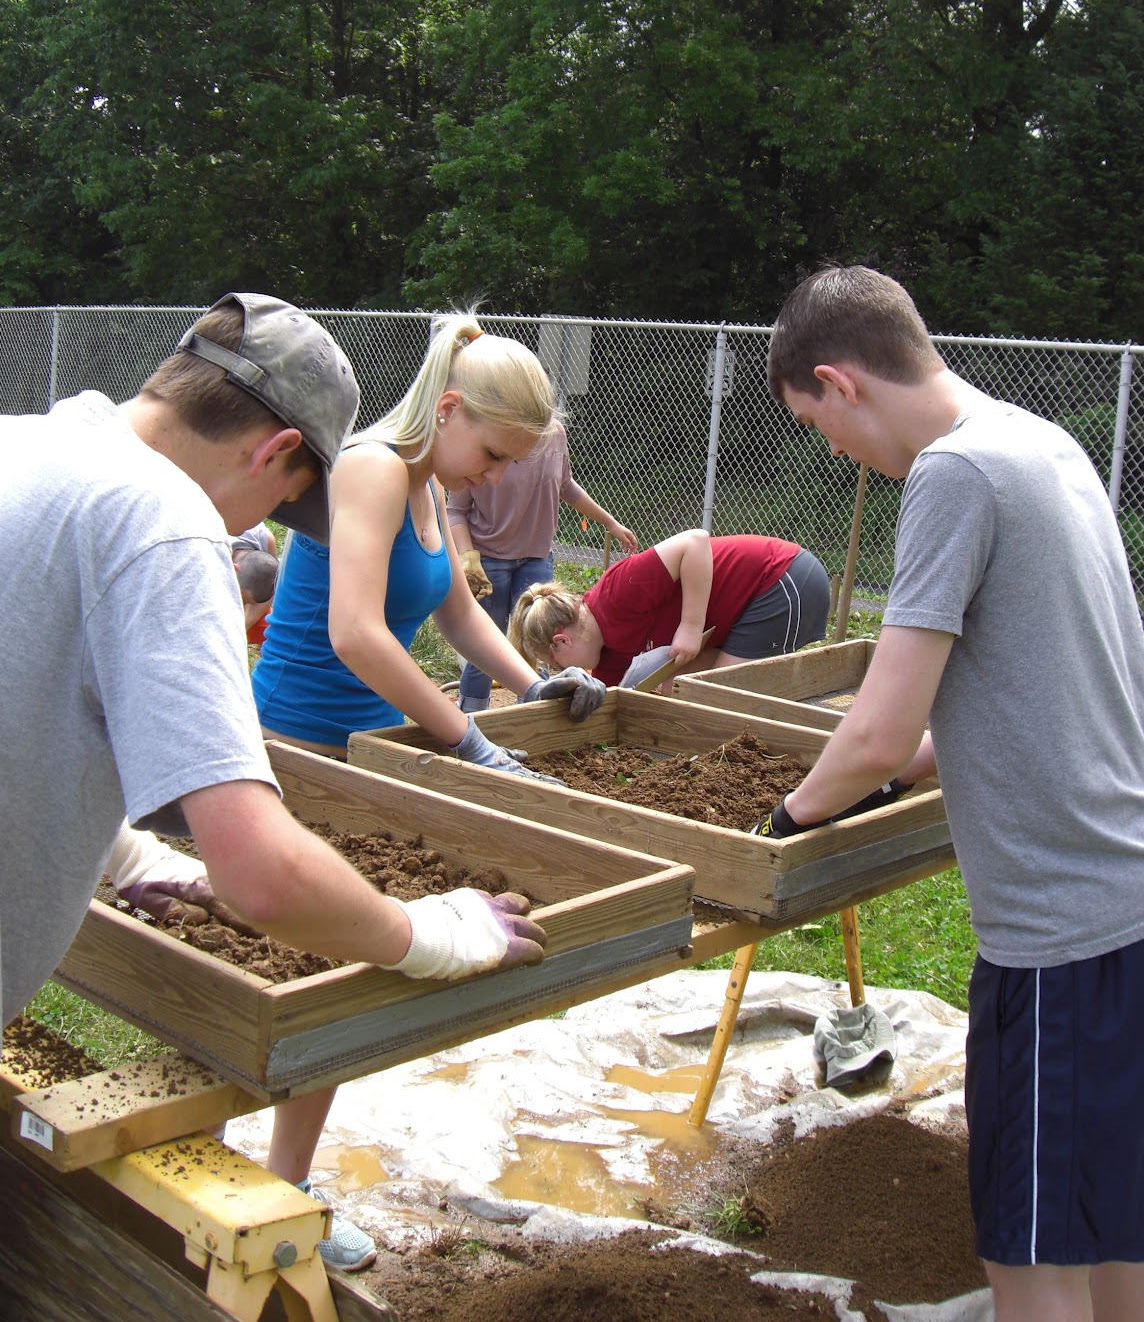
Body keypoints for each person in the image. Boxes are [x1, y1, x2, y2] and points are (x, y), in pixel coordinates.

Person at [0, 294, 548, 1270]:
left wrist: (124, 851)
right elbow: (259, 875)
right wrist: (431, 932)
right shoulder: (164, 522)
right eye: (285, 505)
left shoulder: (25, 446)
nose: (265, 530)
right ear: (273, 449)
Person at [752, 264, 1144, 1322]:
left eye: (819, 424)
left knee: (1031, 1263)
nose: (837, 453)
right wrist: (893, 772)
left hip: (1069, 943)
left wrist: (782, 821)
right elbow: (1014, 687)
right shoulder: (1040, 442)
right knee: (1127, 1232)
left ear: (841, 380)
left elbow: (877, 728)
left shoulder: (954, 475)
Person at [250, 313, 606, 1265]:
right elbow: (357, 634)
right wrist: (469, 739)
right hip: (294, 748)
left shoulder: (429, 491)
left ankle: (283, 1182)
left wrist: (541, 688)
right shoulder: (370, 468)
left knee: (346, 972)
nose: (492, 477)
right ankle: (270, 1189)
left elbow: (457, 615)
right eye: (491, 454)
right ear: (446, 408)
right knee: (316, 974)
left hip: (364, 753)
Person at [447, 417, 638, 712]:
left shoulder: (555, 433)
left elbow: (566, 485)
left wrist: (610, 522)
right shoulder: (483, 434)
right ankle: (472, 722)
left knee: (538, 644)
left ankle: (535, 719)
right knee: (485, 645)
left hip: (536, 557)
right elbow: (456, 511)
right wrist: (467, 558)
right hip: (488, 561)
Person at [507, 530, 831, 691]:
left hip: (780, 579)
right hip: (751, 611)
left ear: (561, 642)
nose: (565, 671)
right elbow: (616, 699)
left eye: (556, 665)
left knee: (724, 694)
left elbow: (695, 541)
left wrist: (691, 625)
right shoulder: (607, 659)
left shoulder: (616, 594)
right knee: (697, 688)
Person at [233, 545, 279, 644]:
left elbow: (271, 587)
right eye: (242, 599)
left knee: (273, 630)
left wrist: (241, 628)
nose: (243, 604)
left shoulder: (266, 540)